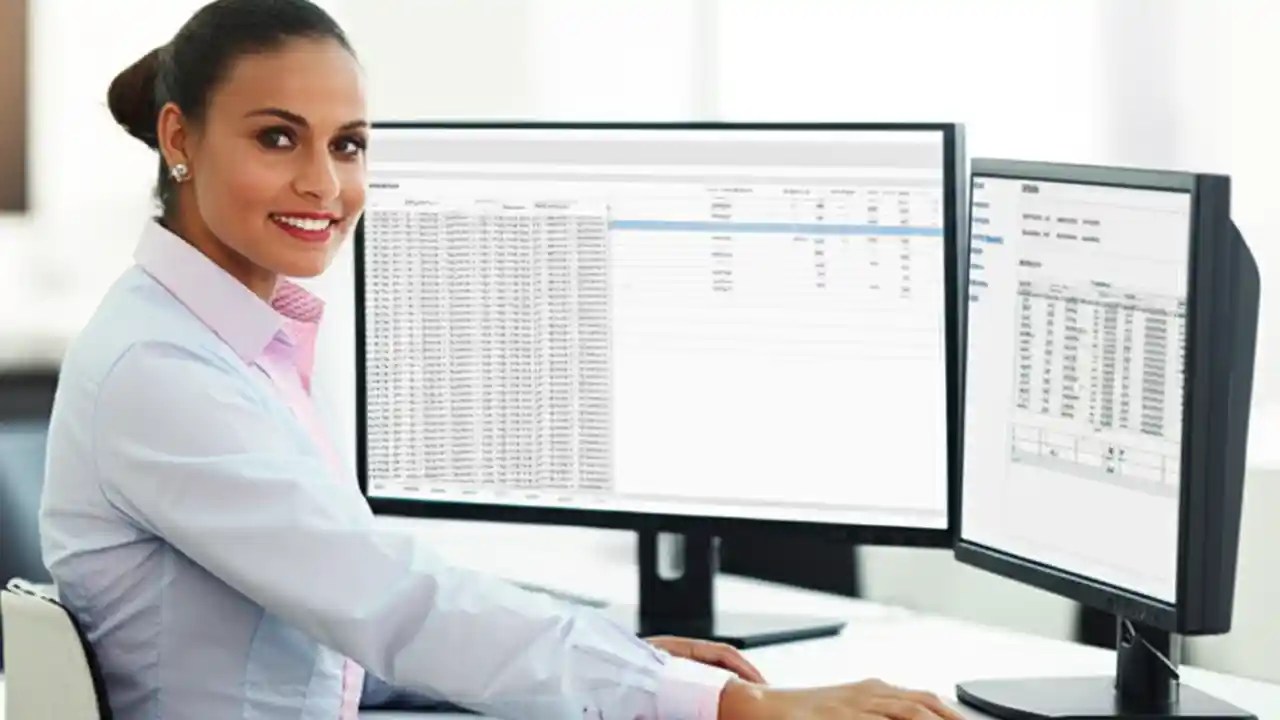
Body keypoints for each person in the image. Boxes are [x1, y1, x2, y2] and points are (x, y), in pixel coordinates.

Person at [37, 1, 965, 718]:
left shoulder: (226, 336)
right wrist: (724, 701)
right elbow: (387, 600)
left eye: (349, 144)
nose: (325, 183)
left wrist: (622, 662)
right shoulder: (160, 370)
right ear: (178, 138)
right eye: (278, 138)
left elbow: (342, 638)